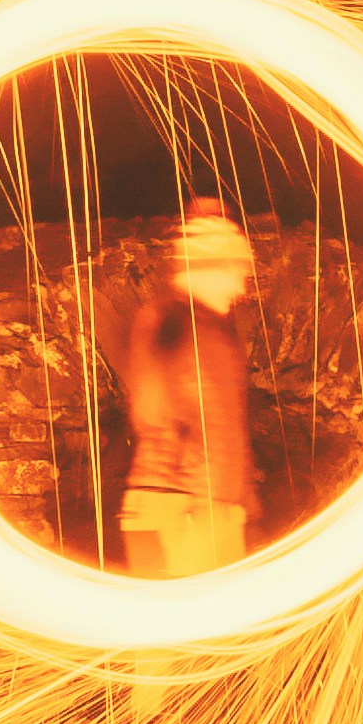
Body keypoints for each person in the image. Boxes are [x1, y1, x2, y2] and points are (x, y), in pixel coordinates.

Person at [111, 200, 261, 576]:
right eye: (236, 271)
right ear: (211, 271)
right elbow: (216, 431)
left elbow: (146, 413)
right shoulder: (203, 337)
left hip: (145, 508)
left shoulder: (158, 321)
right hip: (192, 516)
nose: (241, 286)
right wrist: (237, 508)